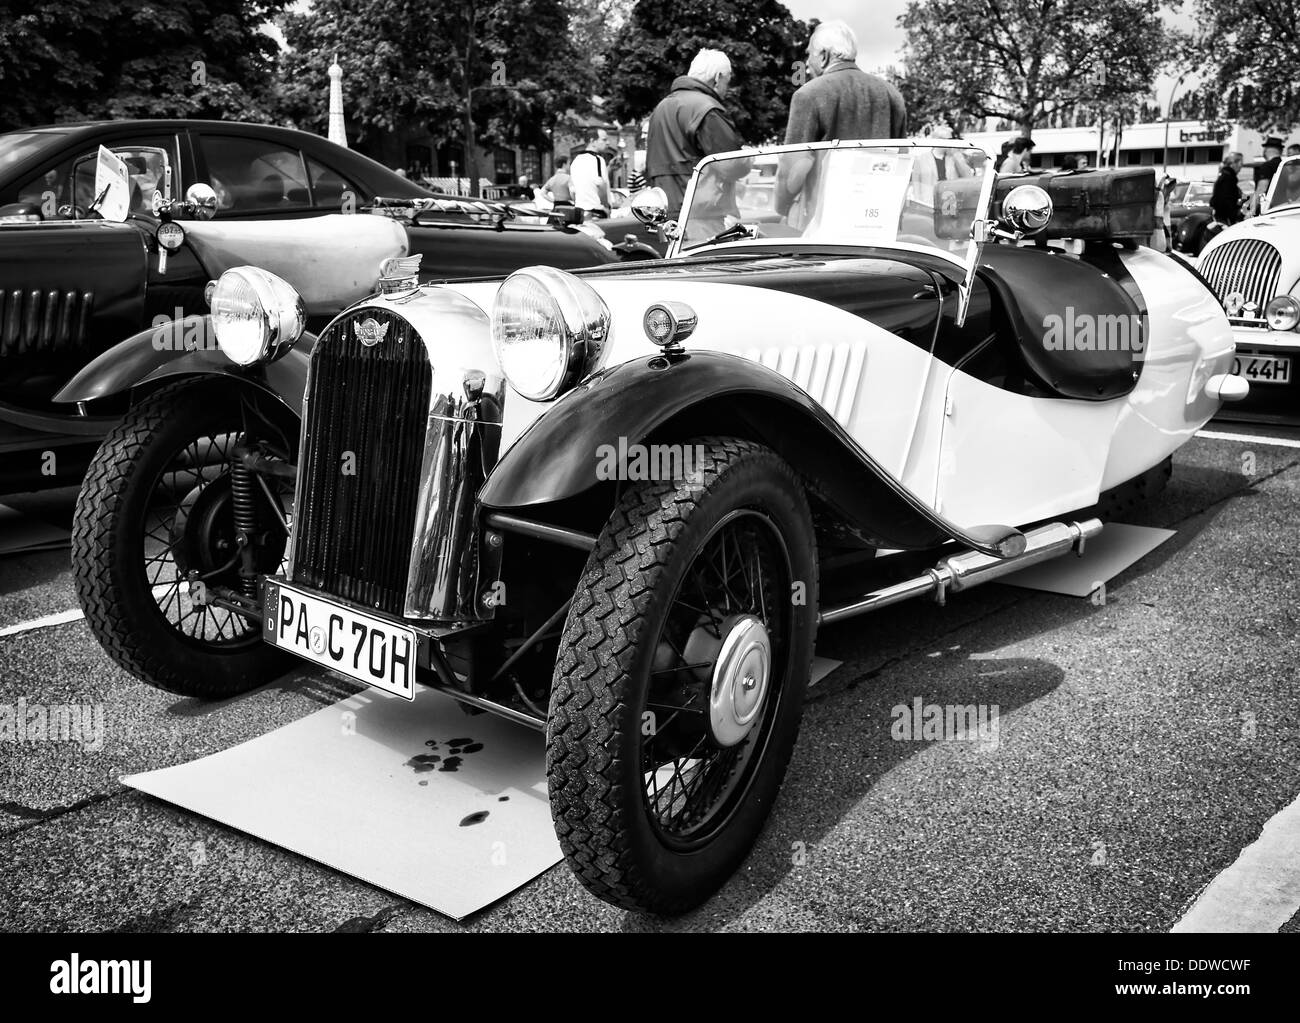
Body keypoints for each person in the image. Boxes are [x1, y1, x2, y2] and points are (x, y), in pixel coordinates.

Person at [645, 49, 746, 216]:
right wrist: (747, 158)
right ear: (717, 77)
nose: (726, 89)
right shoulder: (707, 108)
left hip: (664, 213)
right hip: (700, 214)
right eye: (727, 81)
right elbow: (730, 166)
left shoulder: (660, 108)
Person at [570, 134, 614, 217]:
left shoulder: (576, 160)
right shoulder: (597, 159)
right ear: (592, 141)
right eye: (604, 139)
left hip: (580, 211)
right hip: (596, 211)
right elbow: (601, 184)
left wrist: (610, 168)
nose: (608, 143)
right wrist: (606, 207)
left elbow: (572, 190)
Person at [1212, 152, 1245, 225]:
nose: (1241, 168)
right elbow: (1226, 201)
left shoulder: (1225, 177)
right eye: (1241, 164)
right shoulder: (1228, 178)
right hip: (1225, 219)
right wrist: (1235, 214)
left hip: (1222, 217)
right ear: (1234, 163)